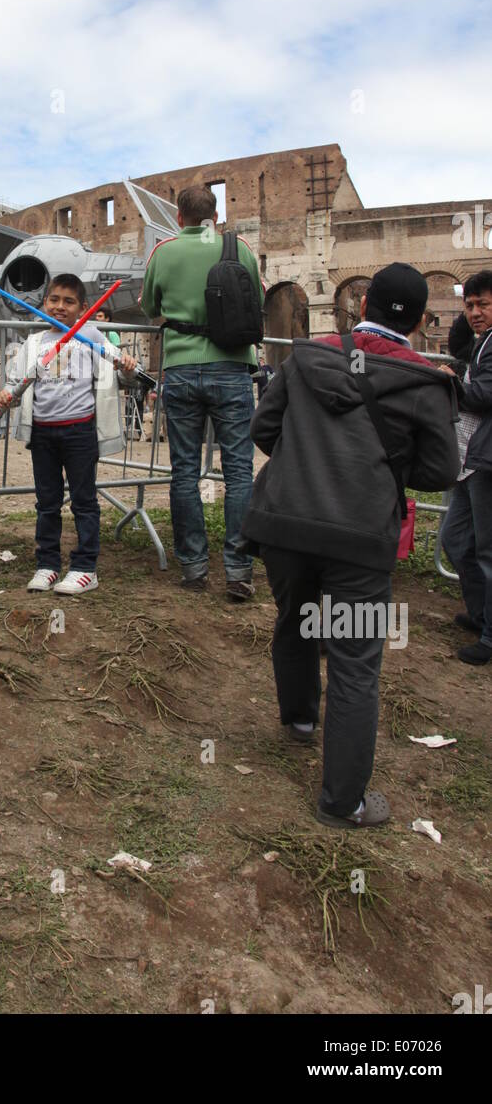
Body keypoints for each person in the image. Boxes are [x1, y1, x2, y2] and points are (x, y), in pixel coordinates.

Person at [242, 263, 459, 828]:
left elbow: (264, 428)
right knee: (354, 661)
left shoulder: (309, 355)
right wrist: (376, 468)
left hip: (285, 522)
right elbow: (439, 470)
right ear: (417, 322)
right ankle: (342, 802)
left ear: (362, 306)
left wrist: (307, 461)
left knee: (295, 618)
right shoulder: (426, 381)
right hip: (360, 536)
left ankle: (299, 722)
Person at [140, 185, 263, 600]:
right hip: (231, 367)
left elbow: (148, 306)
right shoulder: (240, 248)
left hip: (180, 369)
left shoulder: (164, 252)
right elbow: (256, 302)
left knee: (185, 471)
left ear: (179, 217)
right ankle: (239, 571)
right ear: (216, 215)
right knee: (239, 472)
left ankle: (193, 568)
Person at [0, 274, 136, 594]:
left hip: (80, 431)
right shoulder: (33, 344)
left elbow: (124, 376)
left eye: (69, 302)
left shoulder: (93, 337)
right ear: (45, 303)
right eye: (54, 300)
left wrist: (127, 366)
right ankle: (47, 564)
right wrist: (5, 395)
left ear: (84, 308)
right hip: (43, 433)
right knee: (47, 502)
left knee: (84, 502)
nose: (60, 307)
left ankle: (86, 567)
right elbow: (13, 384)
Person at [439, 271, 492, 665]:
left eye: (482, 305)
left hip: (486, 459)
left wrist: (450, 384)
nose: (474, 312)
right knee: (457, 540)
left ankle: (489, 638)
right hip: (474, 456)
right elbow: (458, 345)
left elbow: (483, 395)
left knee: (487, 551)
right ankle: (480, 615)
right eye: (469, 305)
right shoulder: (482, 341)